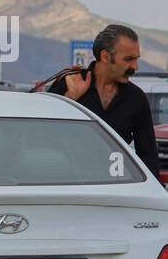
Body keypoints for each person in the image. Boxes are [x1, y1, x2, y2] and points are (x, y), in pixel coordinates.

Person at [48, 24, 160, 178]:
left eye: (136, 59)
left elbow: (148, 156)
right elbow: (42, 136)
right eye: (128, 59)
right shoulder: (68, 83)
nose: (135, 66)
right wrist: (69, 100)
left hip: (114, 186)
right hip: (66, 183)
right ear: (105, 56)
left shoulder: (136, 98)